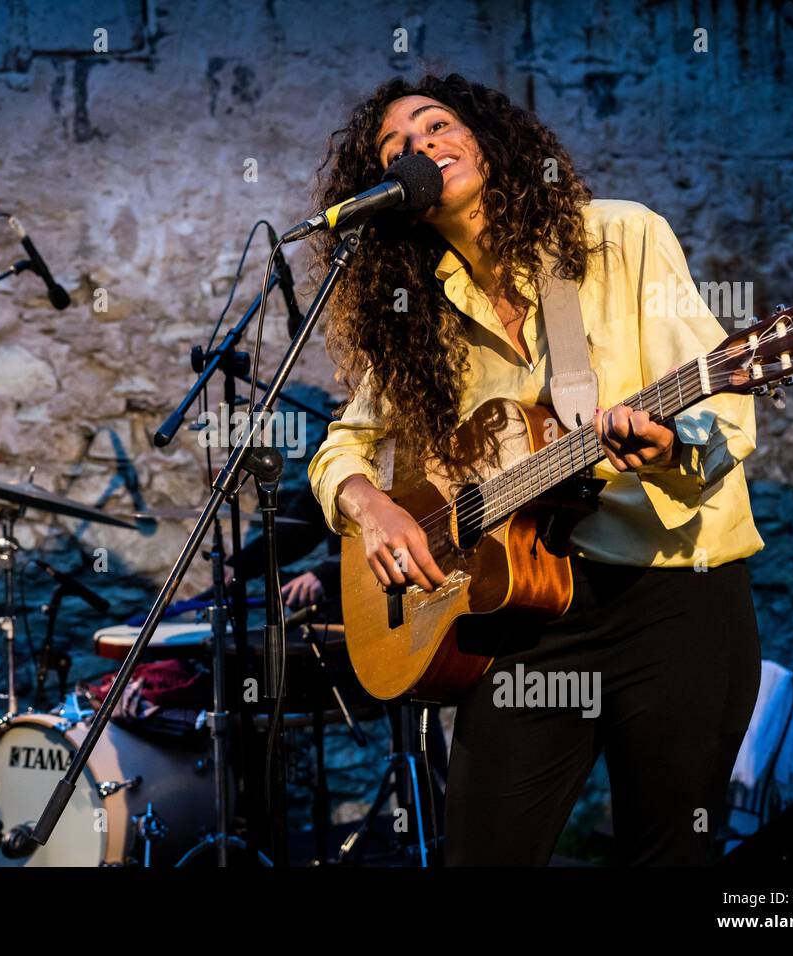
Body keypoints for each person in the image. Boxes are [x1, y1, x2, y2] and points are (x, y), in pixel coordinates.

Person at [306, 74, 763, 865]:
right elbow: (342, 442)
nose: (420, 147)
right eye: (395, 150)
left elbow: (714, 403)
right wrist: (366, 504)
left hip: (673, 597)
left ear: (487, 138)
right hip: (528, 620)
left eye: (438, 125)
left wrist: (670, 451)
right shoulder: (417, 310)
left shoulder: (618, 238)